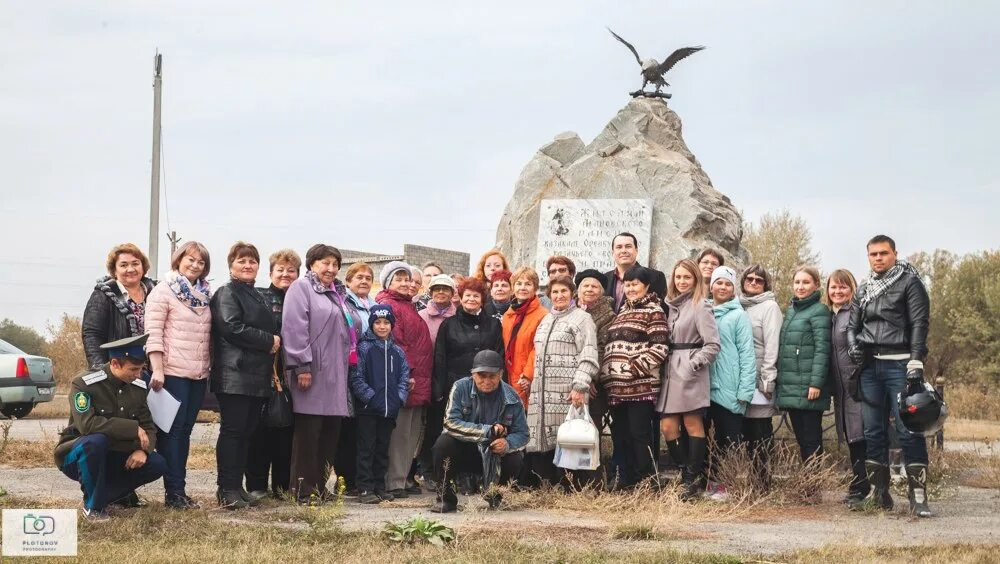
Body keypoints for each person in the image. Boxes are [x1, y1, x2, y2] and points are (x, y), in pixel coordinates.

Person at [847, 234, 931, 516]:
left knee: (908, 430)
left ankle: (918, 497)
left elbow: (919, 322)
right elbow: (852, 325)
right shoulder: (864, 288)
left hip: (901, 365)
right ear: (868, 256)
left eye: (884, 253)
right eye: (873, 254)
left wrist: (916, 360)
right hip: (870, 367)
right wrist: (853, 346)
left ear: (895, 253)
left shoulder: (910, 282)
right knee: (873, 431)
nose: (878, 258)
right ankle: (879, 494)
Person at [54, 335, 167, 521]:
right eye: (133, 369)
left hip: (115, 454)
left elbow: (148, 425)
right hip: (77, 454)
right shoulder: (84, 384)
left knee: (157, 463)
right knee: (96, 441)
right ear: (115, 363)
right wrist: (132, 429)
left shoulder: (138, 387)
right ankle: (94, 508)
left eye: (141, 369)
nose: (138, 375)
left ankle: (104, 497)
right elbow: (86, 425)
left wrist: (143, 450)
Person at [283, 244, 358, 504]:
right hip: (311, 373)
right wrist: (301, 365)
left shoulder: (338, 293)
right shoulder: (301, 289)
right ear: (312, 264)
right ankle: (303, 490)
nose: (331, 269)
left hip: (336, 375)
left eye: (335, 264)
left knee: (329, 434)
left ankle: (323, 487)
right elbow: (294, 328)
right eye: (325, 263)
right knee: (309, 434)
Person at [210, 241, 280, 509]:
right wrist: (268, 340)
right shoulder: (227, 292)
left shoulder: (255, 294)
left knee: (246, 433)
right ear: (231, 266)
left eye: (252, 261)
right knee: (233, 432)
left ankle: (237, 487)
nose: (248, 265)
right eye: (242, 261)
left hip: (255, 375)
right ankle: (226, 489)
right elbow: (231, 327)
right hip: (234, 375)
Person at [143, 241, 213, 510]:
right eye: (190, 259)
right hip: (171, 374)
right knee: (171, 434)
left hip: (197, 375)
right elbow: (153, 333)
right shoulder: (163, 291)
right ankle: (174, 493)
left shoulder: (205, 294)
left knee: (185, 432)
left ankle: (179, 490)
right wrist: (157, 368)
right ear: (178, 260)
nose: (195, 265)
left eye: (201, 262)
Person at [425, 276, 505, 490]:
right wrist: (438, 388)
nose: (471, 299)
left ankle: (479, 475)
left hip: (486, 386)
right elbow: (440, 357)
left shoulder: (494, 324)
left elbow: (499, 355)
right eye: (467, 295)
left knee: (481, 428)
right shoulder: (448, 325)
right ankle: (452, 477)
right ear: (460, 297)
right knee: (457, 431)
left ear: (482, 299)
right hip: (456, 386)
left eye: (476, 296)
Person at [431, 350, 528, 513]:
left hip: (493, 454)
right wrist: (487, 431)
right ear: (473, 374)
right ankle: (445, 498)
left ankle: (495, 495)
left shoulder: (512, 396)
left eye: (492, 376)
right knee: (443, 444)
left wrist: (507, 443)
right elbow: (450, 423)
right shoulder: (460, 387)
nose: (487, 381)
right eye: (481, 376)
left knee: (515, 456)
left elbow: (523, 434)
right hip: (463, 449)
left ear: (501, 374)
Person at [525, 275, 598, 487]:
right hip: (541, 394)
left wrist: (579, 386)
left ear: (572, 293)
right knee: (545, 441)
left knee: (570, 438)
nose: (559, 296)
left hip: (569, 392)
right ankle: (548, 484)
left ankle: (574, 487)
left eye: (563, 291)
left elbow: (589, 354)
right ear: (549, 295)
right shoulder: (545, 320)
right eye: (555, 292)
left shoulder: (582, 318)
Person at [657, 259, 720, 500]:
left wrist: (694, 364)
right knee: (668, 426)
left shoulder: (700, 305)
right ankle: (686, 472)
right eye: (678, 277)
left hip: (690, 371)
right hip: (670, 371)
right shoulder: (671, 306)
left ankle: (691, 479)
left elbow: (713, 344)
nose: (682, 281)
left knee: (693, 423)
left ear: (695, 280)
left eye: (687, 278)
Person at [603, 266, 670, 488]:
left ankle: (647, 480)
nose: (631, 288)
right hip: (616, 389)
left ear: (646, 286)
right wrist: (608, 373)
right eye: (628, 284)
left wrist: (633, 368)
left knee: (639, 435)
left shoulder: (654, 310)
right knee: (622, 436)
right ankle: (628, 480)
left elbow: (660, 347)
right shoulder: (622, 312)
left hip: (640, 387)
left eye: (635, 284)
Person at [246, 249, 301, 499]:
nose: (285, 274)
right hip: (262, 371)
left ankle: (282, 485)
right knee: (260, 431)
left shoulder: (301, 299)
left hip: (292, 372)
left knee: (286, 430)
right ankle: (257, 484)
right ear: (270, 273)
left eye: (291, 270)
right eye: (280, 269)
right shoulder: (260, 297)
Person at [375, 262, 433, 499]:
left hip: (417, 380)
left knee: (410, 434)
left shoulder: (408, 306)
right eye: (399, 278)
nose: (406, 283)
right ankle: (394, 482)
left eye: (408, 279)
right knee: (399, 435)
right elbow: (396, 343)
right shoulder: (388, 305)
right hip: (404, 380)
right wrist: (405, 373)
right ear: (388, 282)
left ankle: (402, 478)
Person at [704, 266, 757, 501]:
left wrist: (745, 390)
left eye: (727, 284)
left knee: (729, 440)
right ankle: (708, 482)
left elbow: (747, 354)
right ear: (711, 285)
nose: (722, 287)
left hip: (729, 387)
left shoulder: (738, 316)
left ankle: (728, 484)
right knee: (706, 439)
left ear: (733, 288)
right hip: (703, 386)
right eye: (719, 283)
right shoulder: (703, 310)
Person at [776, 266, 831, 485]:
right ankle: (808, 483)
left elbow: (822, 349)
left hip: (809, 386)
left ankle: (813, 485)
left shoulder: (819, 311)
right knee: (802, 439)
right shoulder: (791, 311)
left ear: (816, 285)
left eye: (806, 282)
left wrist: (815, 383)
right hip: (791, 386)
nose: (800, 287)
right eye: (797, 282)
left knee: (811, 440)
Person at [349, 305, 410, 503]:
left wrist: (398, 399)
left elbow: (404, 378)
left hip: (389, 410)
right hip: (368, 409)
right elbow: (356, 378)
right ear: (371, 324)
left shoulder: (397, 352)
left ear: (392, 325)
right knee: (366, 448)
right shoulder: (364, 348)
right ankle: (365, 488)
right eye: (378, 322)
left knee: (383, 448)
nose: (382, 327)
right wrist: (371, 398)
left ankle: (379, 486)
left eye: (386, 323)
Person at [825, 268, 870, 505]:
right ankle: (860, 482)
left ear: (851, 288)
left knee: (861, 435)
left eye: (843, 286)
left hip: (857, 384)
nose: (837, 291)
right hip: (841, 388)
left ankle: (863, 486)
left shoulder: (856, 313)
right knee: (851, 436)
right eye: (834, 286)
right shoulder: (831, 315)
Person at [739, 265, 783, 490]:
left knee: (760, 432)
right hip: (739, 380)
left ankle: (762, 482)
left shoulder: (769, 307)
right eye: (750, 279)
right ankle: (745, 479)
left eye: (759, 280)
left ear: (765, 284)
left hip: (760, 378)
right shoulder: (739, 305)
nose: (754, 283)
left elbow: (772, 345)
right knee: (745, 432)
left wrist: (767, 379)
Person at [337, 260, 377, 495]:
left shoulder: (374, 305)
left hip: (371, 374)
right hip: (349, 369)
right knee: (347, 428)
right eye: (358, 277)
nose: (363, 281)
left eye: (368, 278)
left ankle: (361, 479)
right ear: (349, 281)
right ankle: (345, 479)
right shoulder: (344, 303)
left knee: (363, 430)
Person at [82, 243, 157, 369]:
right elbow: (92, 335)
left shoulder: (157, 292)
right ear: (114, 271)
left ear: (143, 267)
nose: (131, 269)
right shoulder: (103, 295)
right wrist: (101, 369)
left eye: (135, 263)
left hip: (155, 370)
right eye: (123, 265)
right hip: (119, 370)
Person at [574, 269, 615, 449]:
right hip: (569, 377)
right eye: (586, 285)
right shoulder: (569, 311)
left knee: (592, 426)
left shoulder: (609, 316)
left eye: (595, 286)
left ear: (602, 291)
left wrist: (589, 378)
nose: (589, 289)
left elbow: (602, 349)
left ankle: (592, 472)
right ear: (578, 289)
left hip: (594, 383)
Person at [502, 267, 549, 407]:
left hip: (528, 378)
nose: (523, 287)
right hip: (509, 375)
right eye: (519, 283)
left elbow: (538, 348)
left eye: (528, 284)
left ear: (535, 288)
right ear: (513, 287)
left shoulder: (543, 315)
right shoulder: (508, 315)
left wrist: (528, 375)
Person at [604, 232, 667, 313]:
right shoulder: (604, 279)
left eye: (628, 246)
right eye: (619, 247)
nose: (623, 251)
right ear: (613, 252)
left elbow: (661, 311)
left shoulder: (655, 277)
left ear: (636, 250)